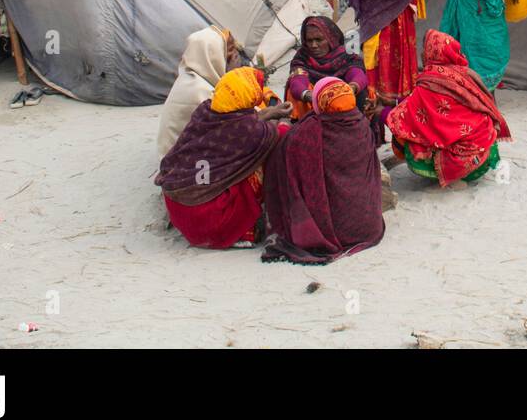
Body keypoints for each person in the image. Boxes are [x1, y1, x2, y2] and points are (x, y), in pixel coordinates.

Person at [155, 66, 292, 248]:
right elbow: (276, 133)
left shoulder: (206, 111)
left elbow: (246, 121)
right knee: (260, 166)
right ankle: (241, 233)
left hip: (180, 210)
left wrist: (270, 113)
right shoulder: (251, 130)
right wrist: (284, 121)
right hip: (209, 221)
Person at [261, 76, 385, 264]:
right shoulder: (361, 125)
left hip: (332, 229)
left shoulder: (309, 132)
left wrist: (283, 126)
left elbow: (285, 155)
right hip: (367, 226)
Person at [383, 30, 512, 187]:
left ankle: (450, 176)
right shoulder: (466, 74)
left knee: (405, 137)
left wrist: (382, 111)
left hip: (463, 160)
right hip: (485, 152)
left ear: (433, 51)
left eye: (425, 49)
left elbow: (406, 115)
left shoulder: (429, 81)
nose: (423, 54)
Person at [155, 26, 238, 161]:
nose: (233, 56)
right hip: (186, 166)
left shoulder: (188, 78)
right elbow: (238, 124)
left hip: (175, 156)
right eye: (228, 51)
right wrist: (233, 75)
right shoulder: (201, 92)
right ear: (214, 55)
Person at [285, 16, 366, 119]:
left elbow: (357, 74)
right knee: (293, 94)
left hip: (345, 108)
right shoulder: (302, 58)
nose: (314, 45)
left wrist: (347, 91)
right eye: (309, 41)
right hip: (314, 110)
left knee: (364, 92)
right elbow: (298, 81)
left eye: (319, 40)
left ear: (331, 39)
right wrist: (313, 96)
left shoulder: (345, 56)